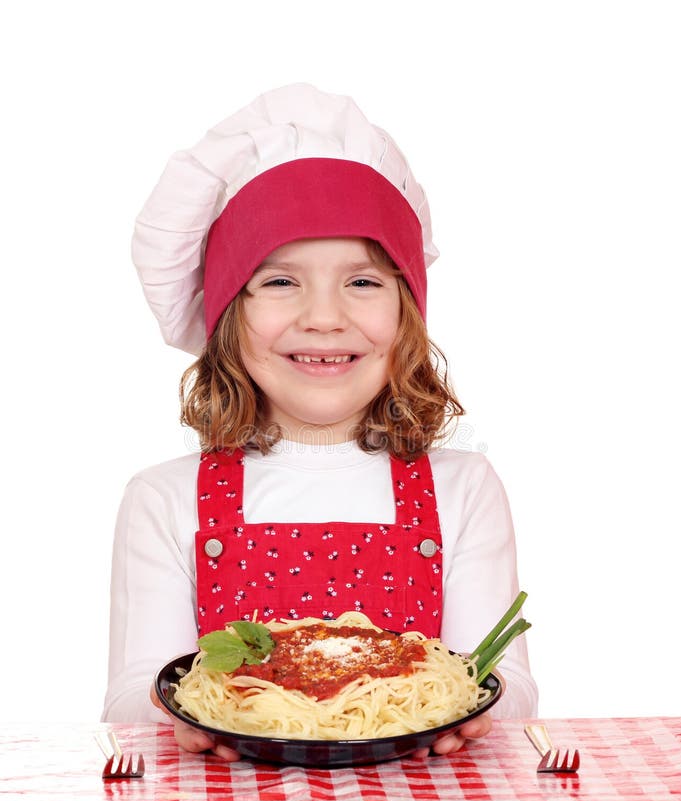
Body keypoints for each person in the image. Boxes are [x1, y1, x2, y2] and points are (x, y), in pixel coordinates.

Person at [103, 83, 538, 759]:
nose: (325, 317)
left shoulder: (465, 487)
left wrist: (476, 708)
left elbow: (502, 680)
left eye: (363, 281)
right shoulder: (164, 499)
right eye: (279, 282)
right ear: (226, 317)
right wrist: (181, 719)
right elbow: (135, 696)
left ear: (405, 313)